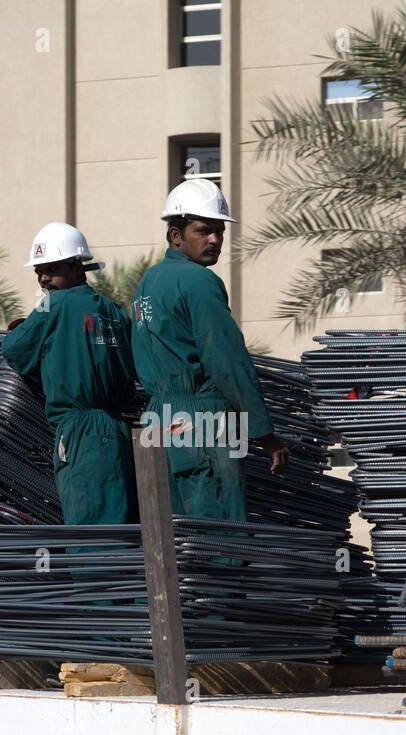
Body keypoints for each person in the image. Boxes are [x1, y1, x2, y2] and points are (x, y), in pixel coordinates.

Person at [131, 179, 289, 521]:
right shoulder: (199, 281)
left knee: (176, 543)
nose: (215, 239)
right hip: (203, 425)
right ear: (176, 235)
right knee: (219, 543)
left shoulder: (149, 282)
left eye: (219, 231)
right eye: (204, 230)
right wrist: (264, 433)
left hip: (159, 424)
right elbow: (227, 361)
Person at [2, 222, 138, 524]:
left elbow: (14, 350)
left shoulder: (54, 305)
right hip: (117, 433)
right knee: (120, 524)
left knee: (88, 531)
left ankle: (93, 573)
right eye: (39, 271)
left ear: (78, 267)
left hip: (78, 434)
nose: (44, 278)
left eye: (51, 269)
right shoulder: (115, 312)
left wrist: (27, 328)